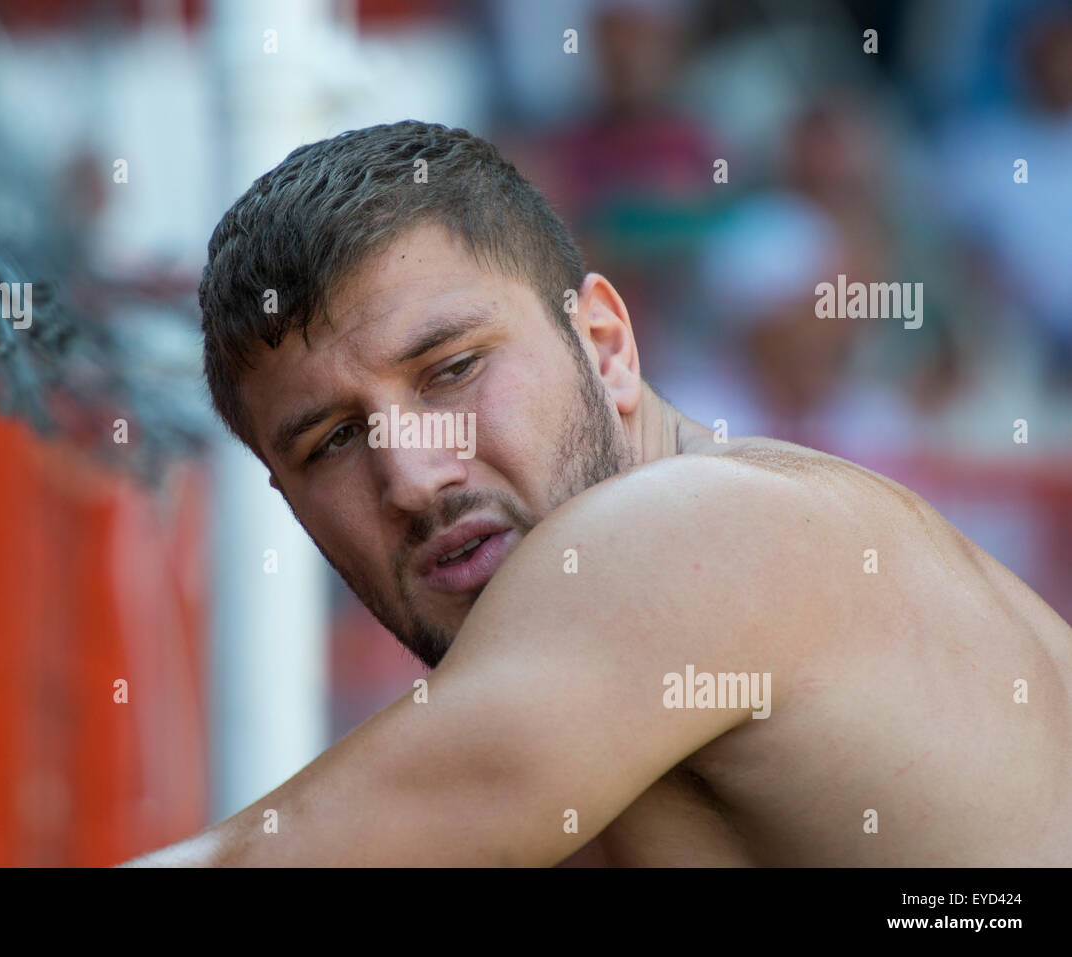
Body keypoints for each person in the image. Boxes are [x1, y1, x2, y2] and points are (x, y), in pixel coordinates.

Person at [127, 121, 1071, 866]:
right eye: (332, 441)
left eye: (451, 369)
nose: (414, 477)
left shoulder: (691, 527)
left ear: (607, 345)